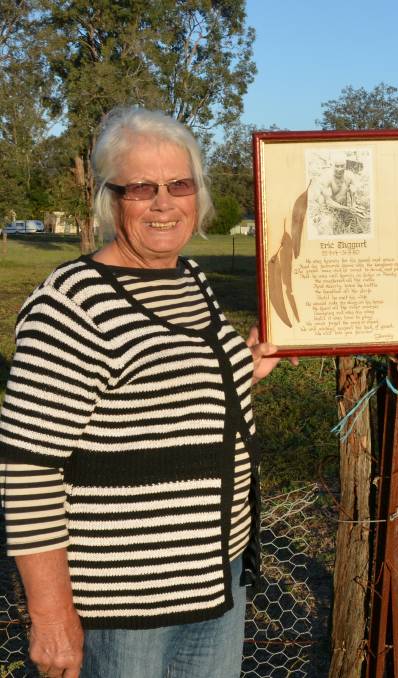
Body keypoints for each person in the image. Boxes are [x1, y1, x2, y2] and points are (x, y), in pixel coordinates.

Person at [0, 107, 292, 677]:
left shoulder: (191, 280)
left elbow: (166, 391)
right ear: (110, 199)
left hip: (218, 577)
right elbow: (28, 469)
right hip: (125, 604)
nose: (163, 203)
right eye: (140, 188)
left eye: (179, 184)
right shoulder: (72, 305)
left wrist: (242, 368)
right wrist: (52, 615)